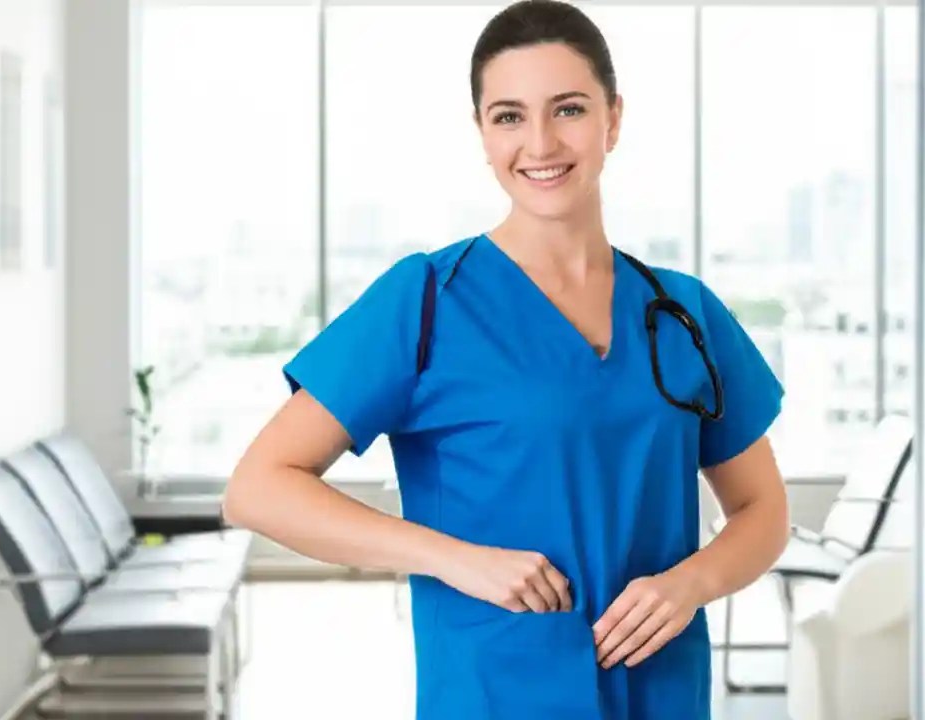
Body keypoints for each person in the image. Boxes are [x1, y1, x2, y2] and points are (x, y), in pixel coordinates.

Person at [222, 1, 789, 717]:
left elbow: (762, 508)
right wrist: (453, 557)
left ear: (613, 119)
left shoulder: (684, 312)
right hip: (494, 691)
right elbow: (258, 487)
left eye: (570, 109)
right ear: (483, 134)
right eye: (510, 116)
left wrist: (692, 583)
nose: (541, 142)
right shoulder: (427, 298)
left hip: (661, 691)